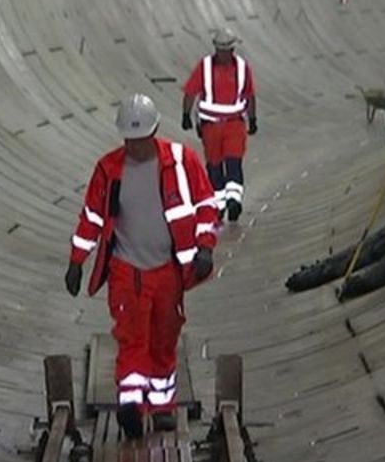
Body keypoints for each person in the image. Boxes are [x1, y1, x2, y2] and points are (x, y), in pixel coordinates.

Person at [64, 93, 218, 439]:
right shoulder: (109, 170)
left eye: (140, 139)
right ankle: (131, 405)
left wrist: (205, 246)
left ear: (155, 131)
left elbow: (207, 204)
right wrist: (77, 260)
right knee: (132, 337)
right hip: (126, 271)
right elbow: (91, 217)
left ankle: (162, 405)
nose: (134, 147)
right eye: (129, 141)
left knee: (164, 336)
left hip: (168, 272)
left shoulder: (181, 162)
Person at [181, 28, 258, 222]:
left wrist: (186, 115)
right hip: (219, 126)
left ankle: (228, 203)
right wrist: (253, 119)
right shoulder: (213, 67)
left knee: (226, 163)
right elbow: (191, 92)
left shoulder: (232, 67)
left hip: (225, 125)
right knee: (223, 165)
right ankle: (226, 203)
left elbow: (249, 94)